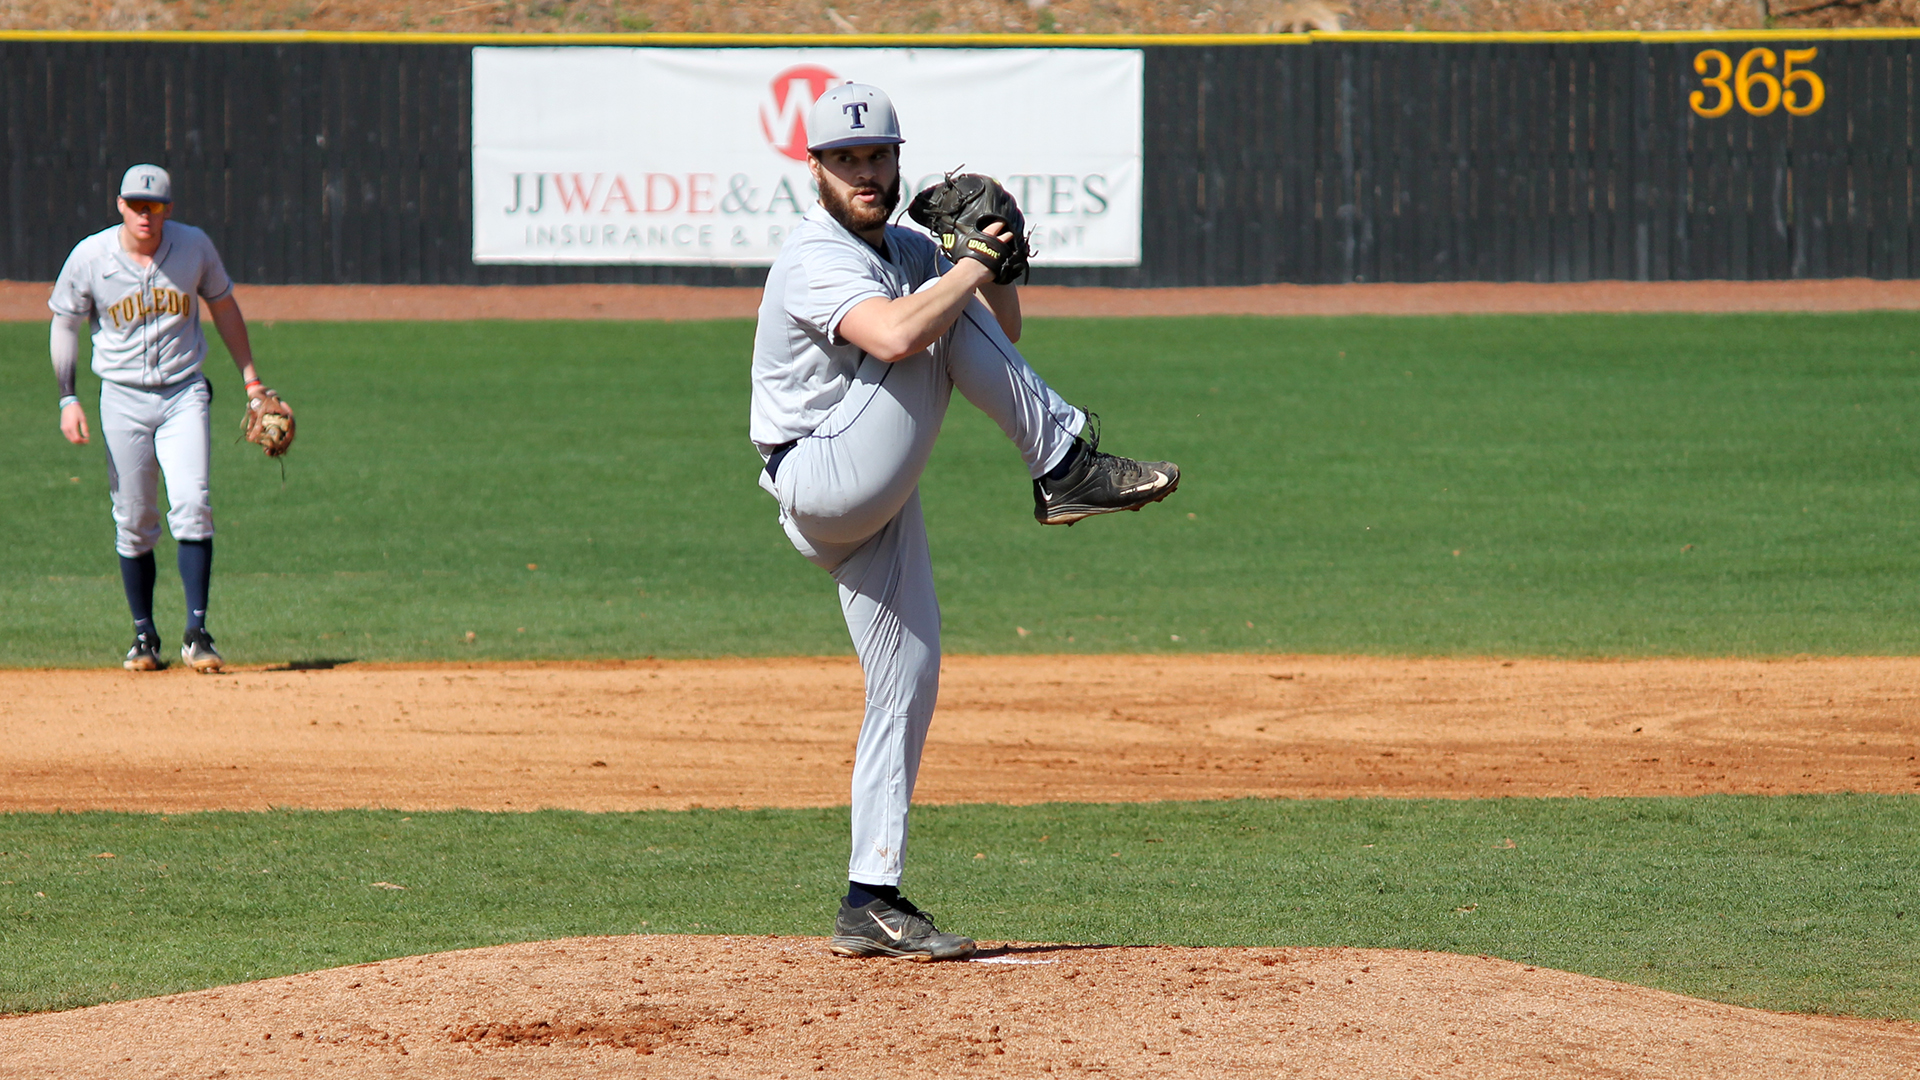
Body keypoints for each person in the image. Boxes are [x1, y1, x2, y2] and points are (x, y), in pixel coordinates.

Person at [750, 84, 1181, 961]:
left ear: (897, 159)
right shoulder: (812, 257)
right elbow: (903, 336)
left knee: (907, 677)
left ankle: (869, 897)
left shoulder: (909, 246)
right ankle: (1065, 467)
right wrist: (967, 270)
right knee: (930, 321)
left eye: (877, 156)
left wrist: (1000, 266)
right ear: (817, 170)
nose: (865, 173)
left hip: (872, 494)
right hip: (823, 476)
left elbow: (1000, 333)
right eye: (846, 160)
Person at [49, 164, 275, 673]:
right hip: (121, 398)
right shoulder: (91, 256)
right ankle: (143, 635)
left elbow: (225, 308)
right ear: (121, 206)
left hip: (183, 393)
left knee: (193, 503)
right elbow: (64, 323)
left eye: (154, 205)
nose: (145, 214)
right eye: (136, 204)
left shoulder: (194, 247)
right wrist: (68, 398)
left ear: (168, 209)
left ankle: (197, 632)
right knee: (134, 520)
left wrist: (253, 383)